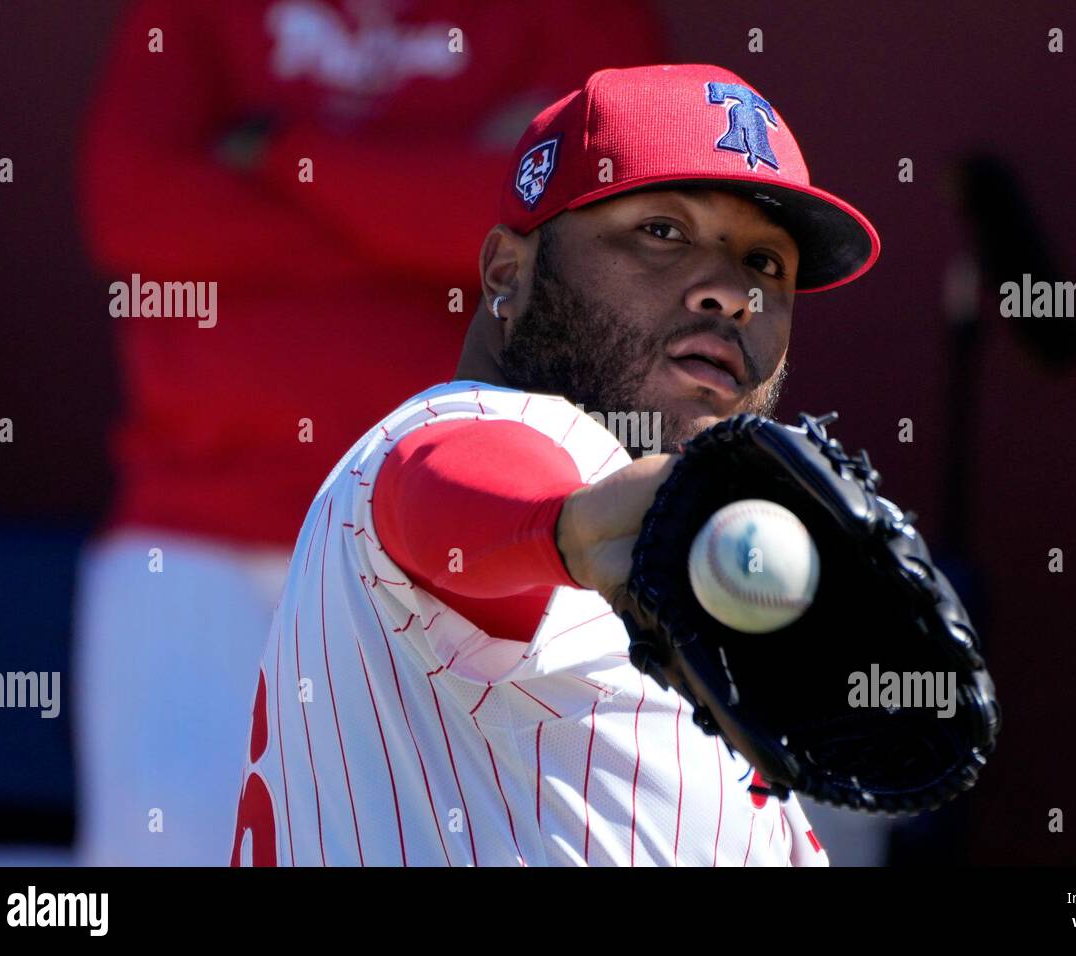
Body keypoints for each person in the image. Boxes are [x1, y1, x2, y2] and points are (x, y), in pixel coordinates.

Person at [230, 63, 879, 866]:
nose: (730, 293)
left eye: (765, 264)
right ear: (510, 272)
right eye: (664, 233)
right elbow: (440, 486)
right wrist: (569, 527)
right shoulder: (476, 428)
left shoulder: (691, 565)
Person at [73, 0, 665, 865]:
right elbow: (130, 206)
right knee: (162, 845)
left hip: (477, 544)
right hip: (197, 530)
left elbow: (593, 240)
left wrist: (280, 153)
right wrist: (432, 215)